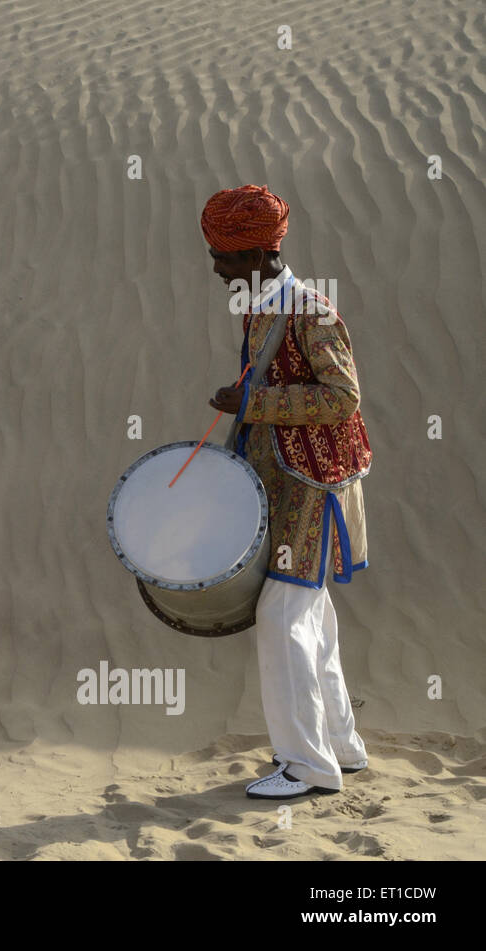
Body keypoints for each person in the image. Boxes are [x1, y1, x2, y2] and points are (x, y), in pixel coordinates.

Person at [202, 185, 372, 799]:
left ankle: (307, 767)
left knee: (280, 616)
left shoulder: (312, 310)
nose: (217, 270)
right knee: (310, 617)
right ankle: (343, 749)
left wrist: (253, 401)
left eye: (222, 258)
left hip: (314, 484)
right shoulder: (259, 304)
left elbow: (343, 398)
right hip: (281, 482)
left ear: (253, 255)